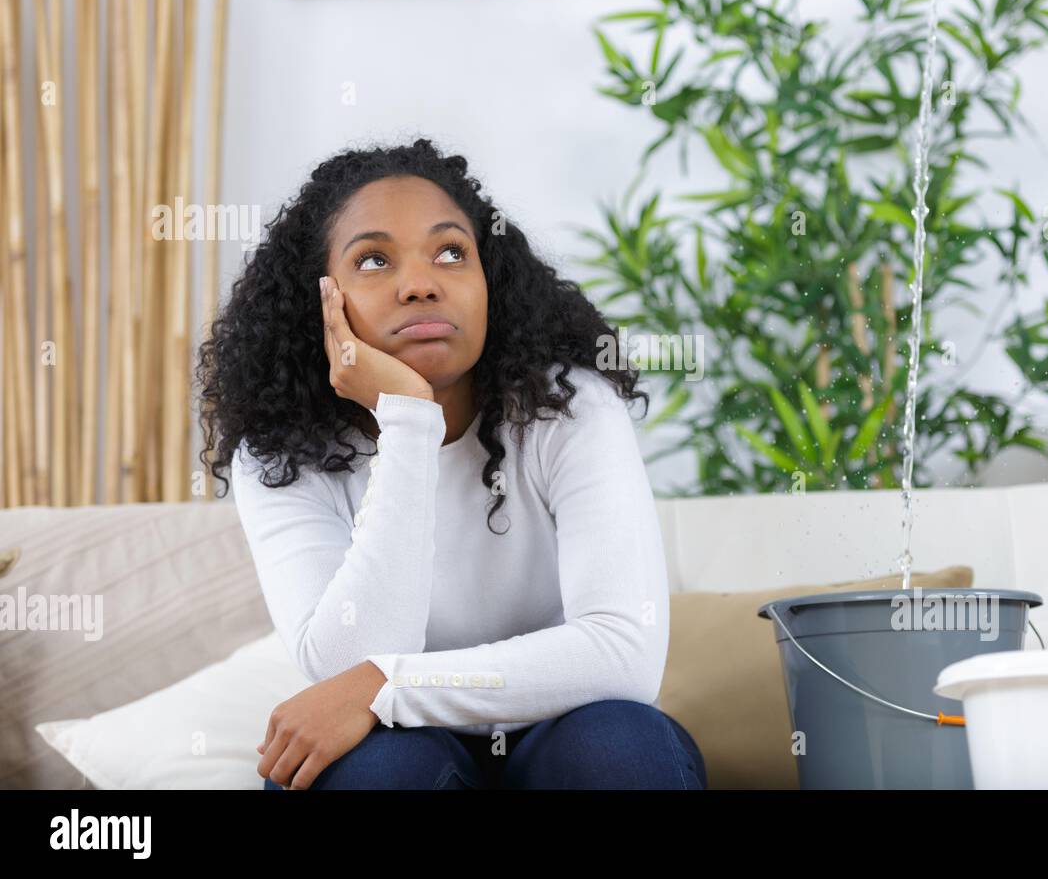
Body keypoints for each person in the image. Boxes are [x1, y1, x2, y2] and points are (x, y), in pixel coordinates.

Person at [195, 138, 705, 790]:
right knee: (374, 776)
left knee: (619, 748)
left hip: (564, 726)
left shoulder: (570, 409)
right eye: (374, 259)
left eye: (450, 252)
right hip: (397, 751)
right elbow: (343, 663)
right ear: (318, 300)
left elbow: (622, 657)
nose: (420, 284)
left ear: (488, 281)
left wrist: (388, 684)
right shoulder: (279, 453)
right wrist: (408, 419)